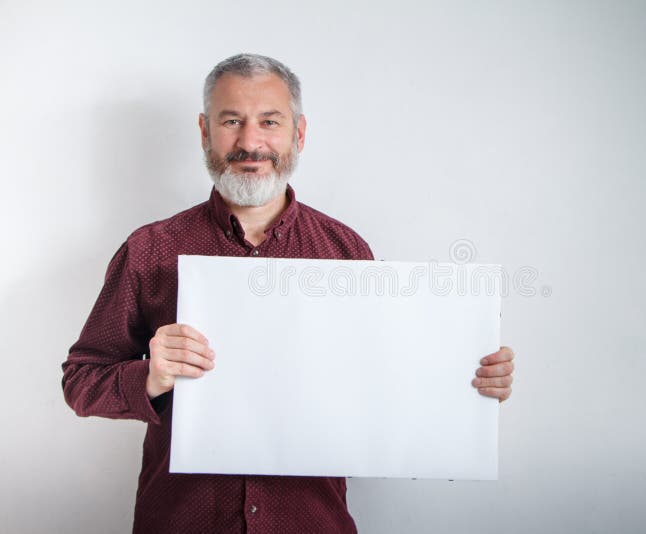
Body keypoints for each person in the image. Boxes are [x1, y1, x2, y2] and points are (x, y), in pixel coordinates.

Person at [62, 53, 515, 534]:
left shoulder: (345, 251)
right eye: (231, 120)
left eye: (269, 122)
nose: (250, 142)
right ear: (204, 131)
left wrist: (468, 384)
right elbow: (81, 381)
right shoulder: (150, 250)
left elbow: (383, 378)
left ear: (298, 134)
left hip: (311, 522)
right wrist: (150, 377)